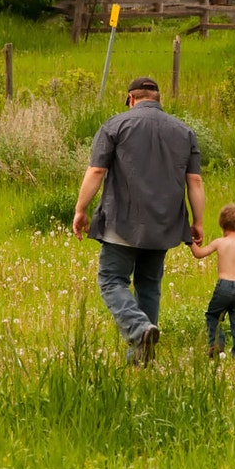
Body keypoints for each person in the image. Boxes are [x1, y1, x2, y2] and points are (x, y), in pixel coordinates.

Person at [73, 76, 204, 365]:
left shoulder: (115, 125)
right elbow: (194, 180)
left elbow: (96, 172)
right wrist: (198, 221)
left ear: (131, 99)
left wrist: (80, 209)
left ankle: (138, 327)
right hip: (164, 224)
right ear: (158, 100)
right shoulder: (184, 132)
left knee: (111, 279)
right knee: (148, 285)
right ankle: (141, 359)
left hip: (123, 221)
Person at [190, 202, 235, 359]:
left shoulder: (220, 242)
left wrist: (189, 241)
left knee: (214, 316)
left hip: (223, 285)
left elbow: (198, 253)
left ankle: (216, 345)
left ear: (222, 226)